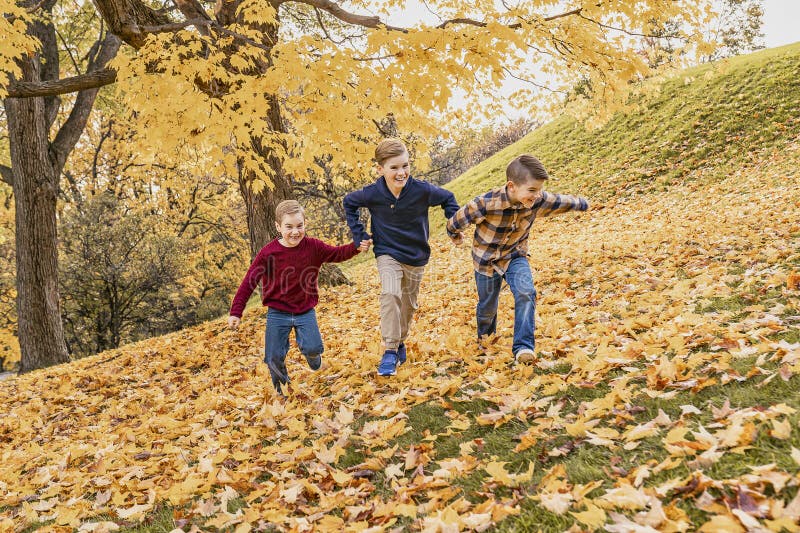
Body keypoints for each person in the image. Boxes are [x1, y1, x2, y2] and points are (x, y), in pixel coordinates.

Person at [446, 154, 589, 363]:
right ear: (512, 186)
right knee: (487, 307)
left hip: (515, 256)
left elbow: (559, 201)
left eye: (539, 189)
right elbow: (455, 222)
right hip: (485, 262)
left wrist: (581, 203)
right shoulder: (484, 204)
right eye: (531, 190)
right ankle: (485, 339)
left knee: (526, 292)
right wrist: (455, 235)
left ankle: (523, 347)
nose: (536, 195)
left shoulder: (537, 201)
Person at [228, 200, 371, 395]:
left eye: (299, 226)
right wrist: (236, 312)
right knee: (273, 356)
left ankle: (314, 358)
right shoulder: (268, 253)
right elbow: (249, 282)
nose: (295, 231)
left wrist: (355, 246)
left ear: (305, 224)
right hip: (277, 313)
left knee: (313, 347)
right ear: (278, 227)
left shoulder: (313, 247)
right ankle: (283, 390)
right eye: (289, 227)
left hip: (305, 310)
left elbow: (337, 254)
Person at [344, 138, 460, 376]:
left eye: (405, 165)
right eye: (394, 167)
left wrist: (453, 224)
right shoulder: (373, 193)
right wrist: (359, 235)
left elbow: (449, 198)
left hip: (416, 255)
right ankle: (389, 350)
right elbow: (349, 203)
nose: (401, 172)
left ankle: (399, 342)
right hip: (387, 252)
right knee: (390, 293)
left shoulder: (421, 190)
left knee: (408, 306)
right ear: (380, 169)